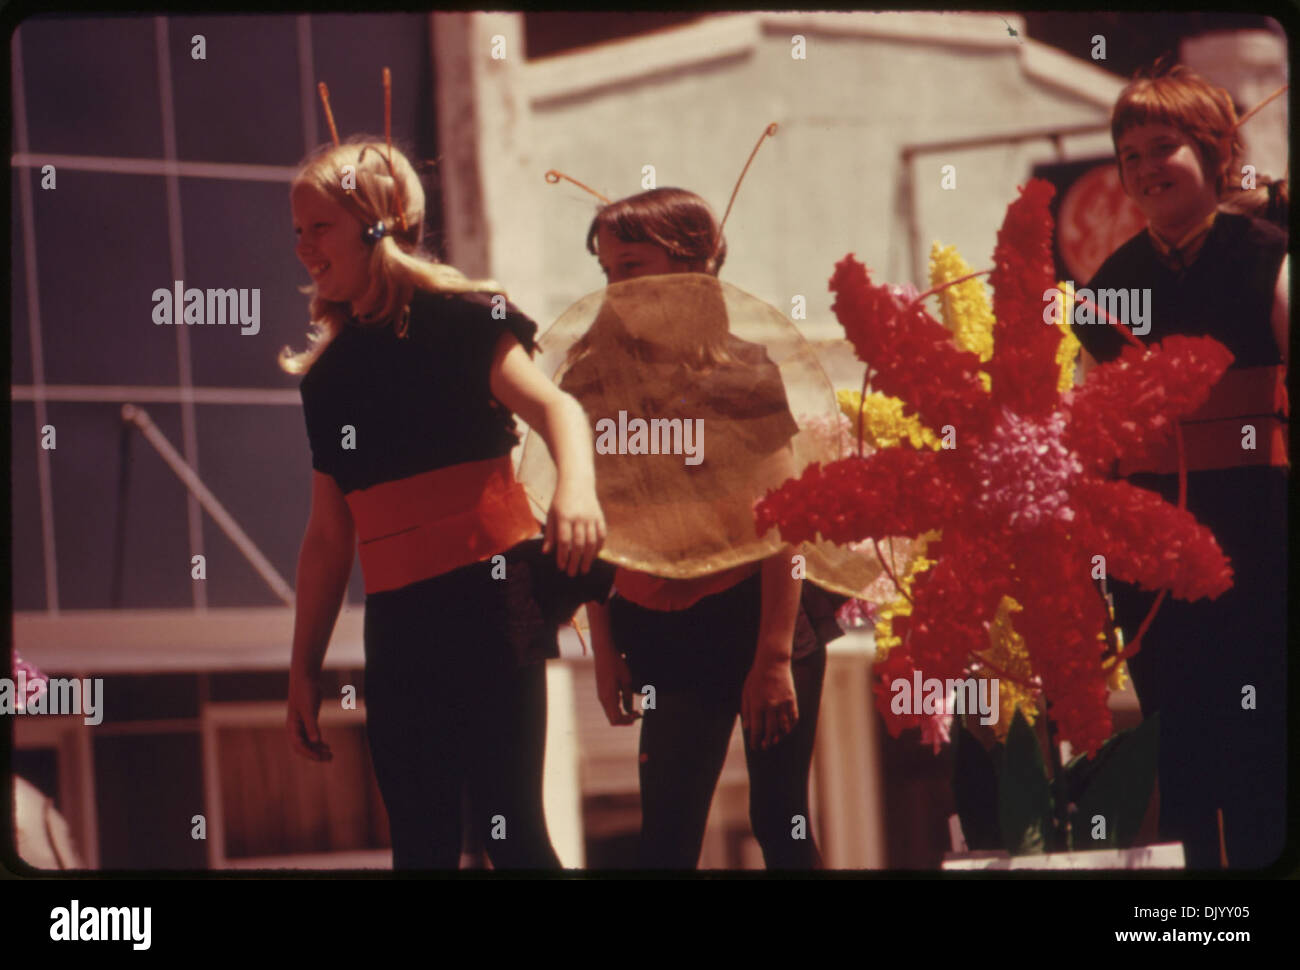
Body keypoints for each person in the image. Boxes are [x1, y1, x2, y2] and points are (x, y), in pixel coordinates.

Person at [280, 131, 611, 869]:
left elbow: (560, 411)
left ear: (379, 225)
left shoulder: (469, 319)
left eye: (319, 228)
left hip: (494, 601)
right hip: (399, 627)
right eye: (297, 232)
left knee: (514, 830)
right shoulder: (326, 379)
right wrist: (302, 670)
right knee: (421, 849)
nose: (303, 247)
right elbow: (329, 538)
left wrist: (577, 493)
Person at [573, 188, 845, 869]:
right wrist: (604, 652)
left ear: (693, 265)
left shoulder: (745, 373)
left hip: (760, 618)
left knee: (777, 818)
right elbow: (594, 532)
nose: (617, 286)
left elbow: (786, 526)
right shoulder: (589, 379)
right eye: (607, 272)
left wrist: (774, 661)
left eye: (631, 265)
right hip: (659, 634)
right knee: (666, 832)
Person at [1070, 63, 1288, 869]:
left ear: (1215, 151)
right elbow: (1093, 432)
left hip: (1262, 530)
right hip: (1152, 550)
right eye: (1129, 156)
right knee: (1182, 749)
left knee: (1266, 744)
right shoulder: (1107, 289)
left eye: (1164, 147)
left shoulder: (1271, 255)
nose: (1145, 167)